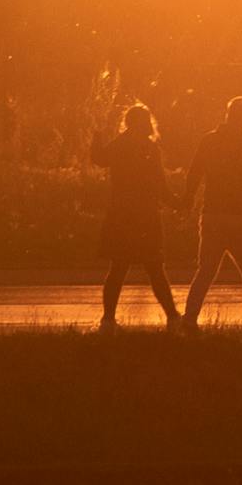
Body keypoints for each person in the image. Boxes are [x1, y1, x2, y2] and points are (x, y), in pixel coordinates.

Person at [95, 99, 183, 330]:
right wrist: (177, 203)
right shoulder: (150, 148)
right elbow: (160, 185)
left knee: (118, 268)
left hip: (122, 215)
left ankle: (108, 319)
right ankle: (173, 317)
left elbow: (99, 159)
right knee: (155, 268)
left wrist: (97, 136)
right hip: (146, 216)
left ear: (127, 123)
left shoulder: (120, 144)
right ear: (147, 124)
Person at [184, 95, 242, 330]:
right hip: (240, 218)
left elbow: (194, 173)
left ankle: (189, 318)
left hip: (212, 215)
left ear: (228, 114)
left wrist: (186, 200)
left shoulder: (209, 141)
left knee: (206, 271)